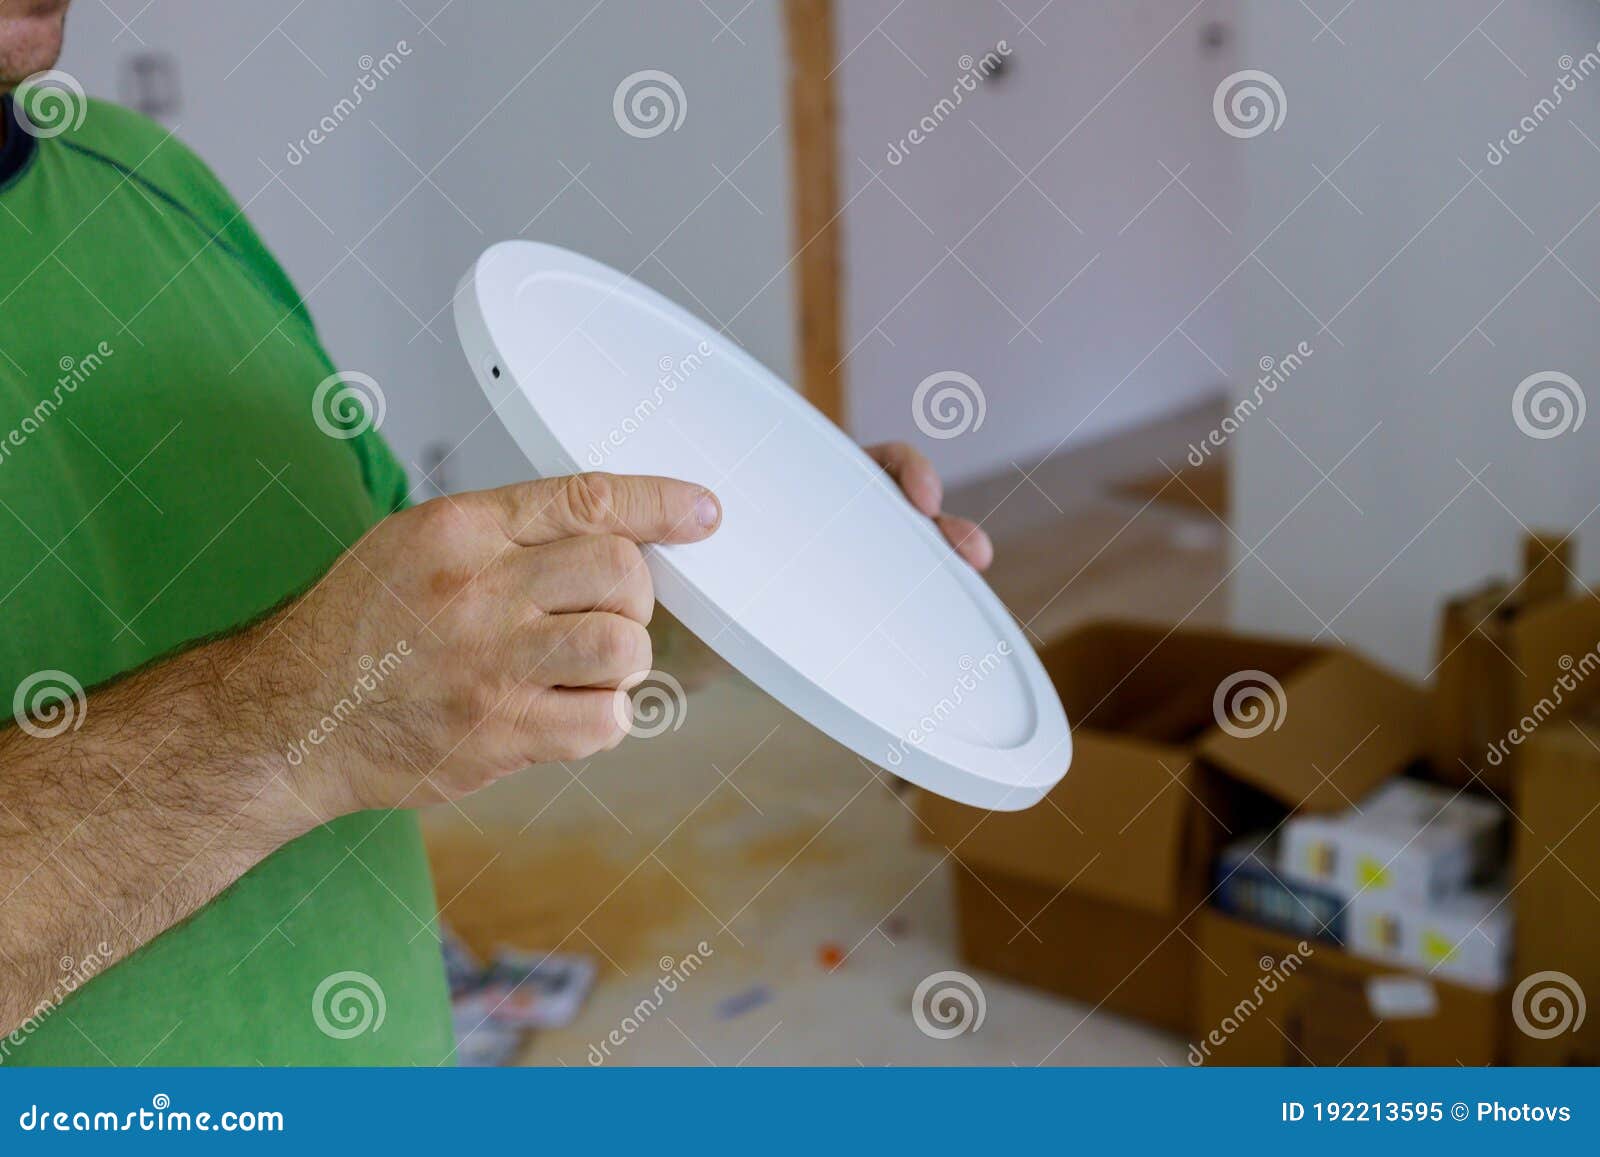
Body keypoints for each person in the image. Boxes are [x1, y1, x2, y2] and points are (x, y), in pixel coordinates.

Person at [0, 0, 994, 1064]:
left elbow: (412, 638)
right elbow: (334, 687)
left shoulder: (144, 177)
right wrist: (297, 718)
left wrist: (766, 576)